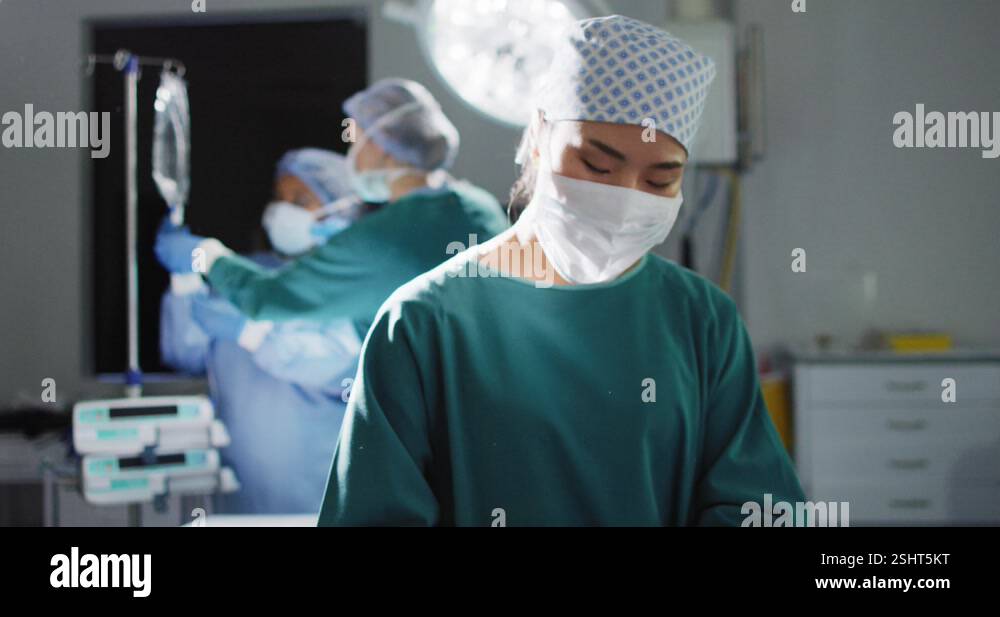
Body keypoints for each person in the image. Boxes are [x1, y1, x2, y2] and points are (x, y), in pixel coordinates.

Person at [318, 15, 806, 526]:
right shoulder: (424, 324)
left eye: (660, 180)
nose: (624, 198)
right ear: (537, 138)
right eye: (596, 166)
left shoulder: (702, 320)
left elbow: (764, 510)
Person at [154, 79, 509, 342]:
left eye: (356, 138)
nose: (351, 151)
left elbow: (268, 299)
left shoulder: (375, 241)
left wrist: (208, 255)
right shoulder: (481, 208)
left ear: (385, 147)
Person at [160, 148, 369, 514]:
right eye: (278, 198)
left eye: (300, 200)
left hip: (318, 498)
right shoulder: (243, 276)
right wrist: (184, 278)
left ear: (342, 210)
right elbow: (185, 354)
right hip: (238, 498)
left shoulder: (351, 288)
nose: (281, 210)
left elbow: (338, 369)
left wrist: (250, 332)